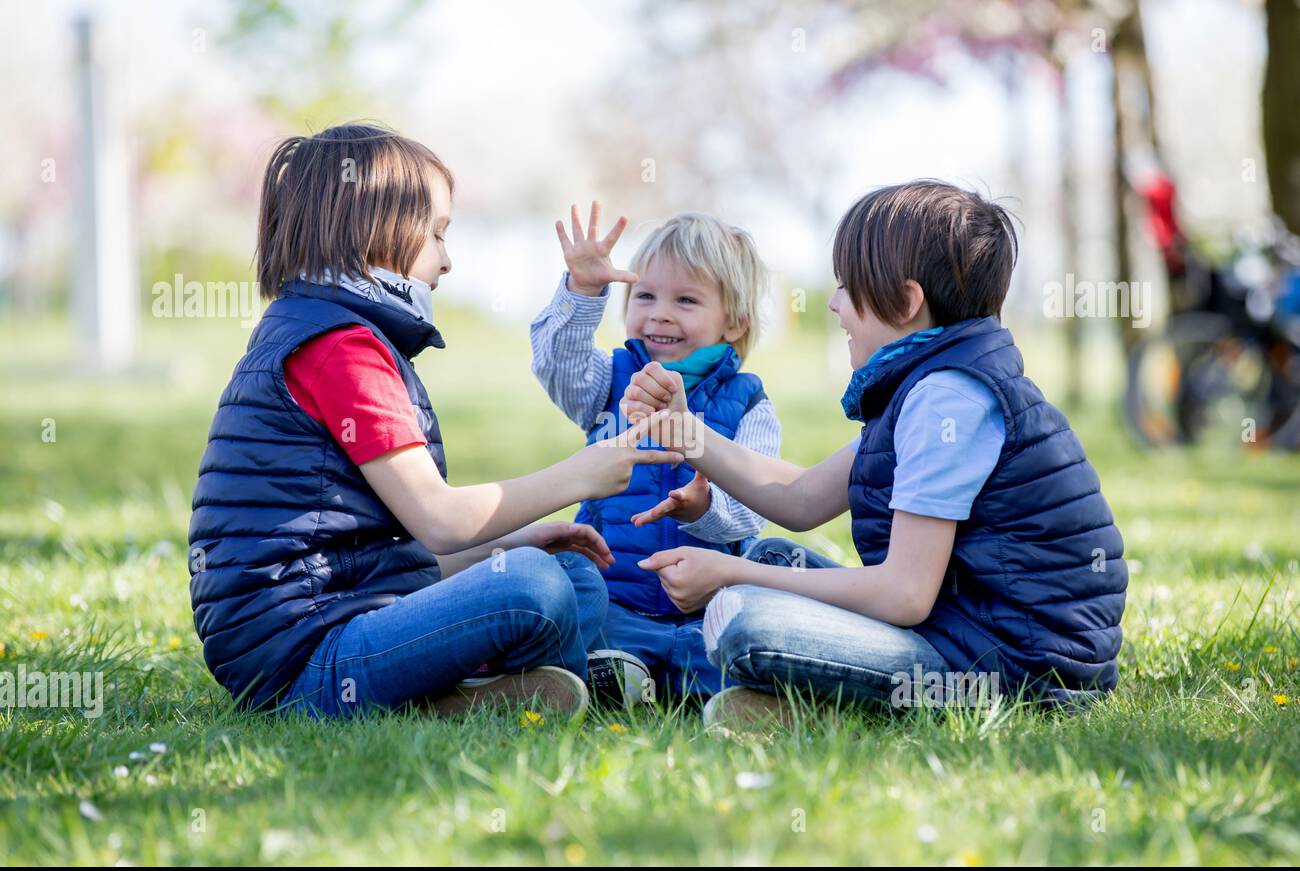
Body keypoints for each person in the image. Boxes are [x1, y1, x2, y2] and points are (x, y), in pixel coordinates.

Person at [188, 124, 681, 719]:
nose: (447, 261)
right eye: (438, 235)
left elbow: (382, 552)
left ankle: (471, 697)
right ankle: (456, 697)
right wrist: (583, 474)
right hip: (305, 657)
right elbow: (441, 521)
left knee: (570, 576)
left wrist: (514, 541)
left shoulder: (336, 333)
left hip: (347, 614)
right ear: (376, 229)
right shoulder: (338, 350)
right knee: (534, 586)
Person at [624, 181, 1129, 729]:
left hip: (1017, 669)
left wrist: (727, 575)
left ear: (907, 302)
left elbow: (904, 595)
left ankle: (821, 703)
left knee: (746, 618)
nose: (834, 303)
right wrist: (686, 431)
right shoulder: (930, 382)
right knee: (770, 560)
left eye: (847, 286)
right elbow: (799, 499)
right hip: (966, 630)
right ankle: (799, 706)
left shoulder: (948, 402)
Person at [530, 204, 780, 707]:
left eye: (686, 300)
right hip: (616, 597)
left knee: (730, 645)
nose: (660, 313)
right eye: (645, 295)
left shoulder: (749, 402)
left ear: (734, 322)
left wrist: (705, 509)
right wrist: (582, 292)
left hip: (707, 605)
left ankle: (716, 688)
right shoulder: (611, 380)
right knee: (585, 625)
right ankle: (616, 674)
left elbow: (756, 504)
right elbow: (559, 367)